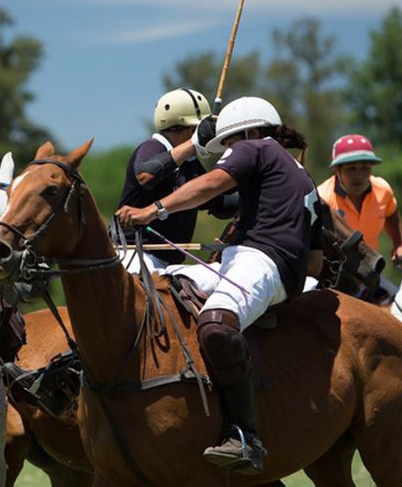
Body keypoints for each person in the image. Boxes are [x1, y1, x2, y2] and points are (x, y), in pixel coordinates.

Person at [116, 96, 323, 475]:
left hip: (265, 262)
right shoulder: (300, 175)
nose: (228, 153)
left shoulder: (257, 147)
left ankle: (245, 435)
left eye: (228, 145)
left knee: (215, 320)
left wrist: (152, 210)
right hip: (245, 257)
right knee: (163, 290)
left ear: (250, 132)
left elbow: (212, 184)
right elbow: (316, 261)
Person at [116, 88, 237, 273]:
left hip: (169, 265)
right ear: (191, 131)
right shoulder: (152, 147)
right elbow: (145, 176)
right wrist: (194, 143)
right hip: (135, 256)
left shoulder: (191, 163)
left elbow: (221, 206)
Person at [317, 134, 402, 298]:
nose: (359, 175)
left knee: (401, 313)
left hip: (370, 275)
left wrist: (398, 245)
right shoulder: (322, 198)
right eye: (351, 169)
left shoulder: (383, 190)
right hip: (336, 281)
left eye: (365, 168)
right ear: (337, 170)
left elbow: (391, 214)